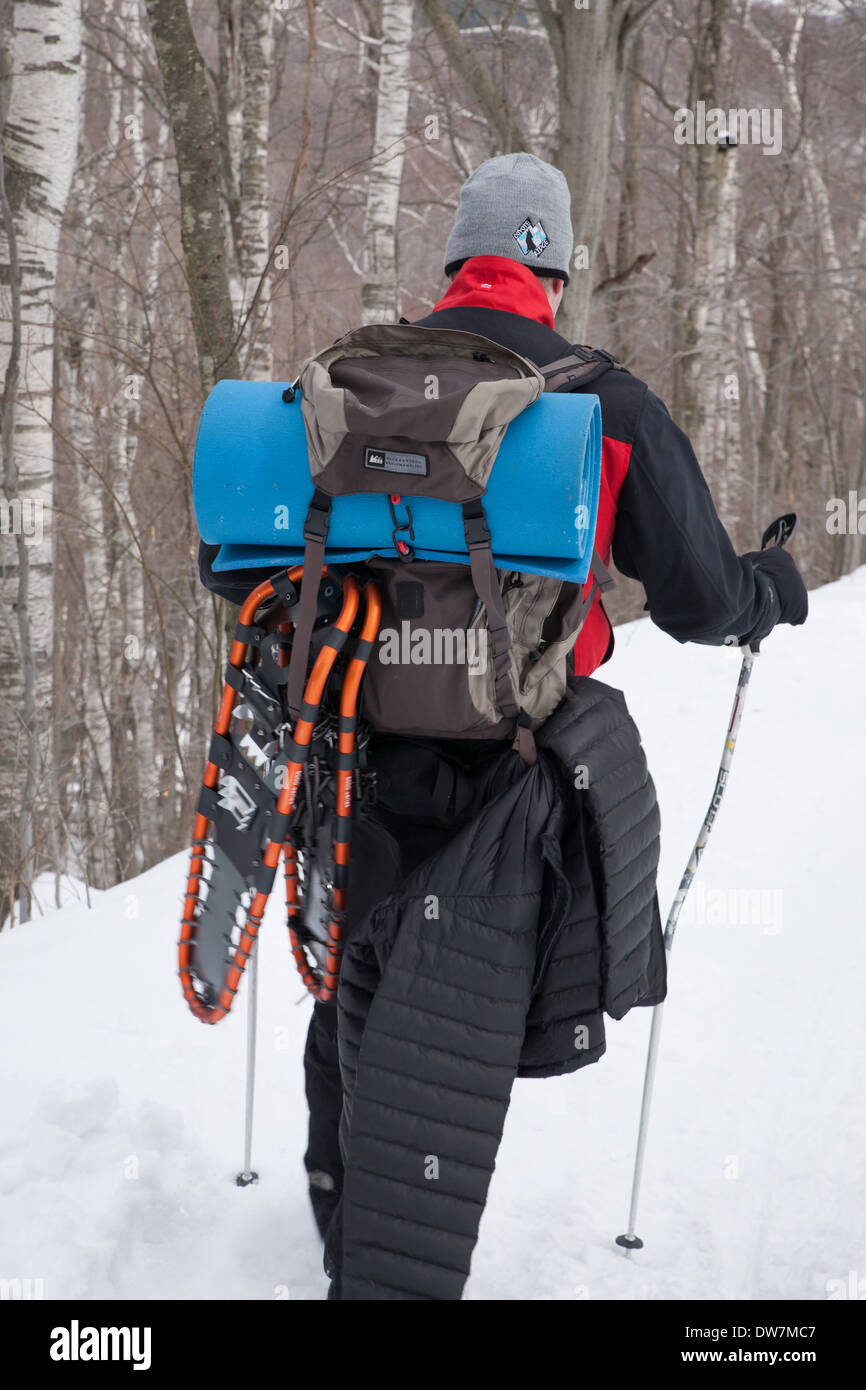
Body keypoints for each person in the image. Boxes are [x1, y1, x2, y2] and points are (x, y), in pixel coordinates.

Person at [197, 152, 808, 1286]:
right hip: (507, 776)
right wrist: (767, 589)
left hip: (348, 758)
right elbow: (701, 600)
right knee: (448, 1045)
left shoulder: (339, 379)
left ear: (452, 268)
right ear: (555, 272)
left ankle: (342, 1220)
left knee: (351, 992)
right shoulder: (599, 402)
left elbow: (232, 560)